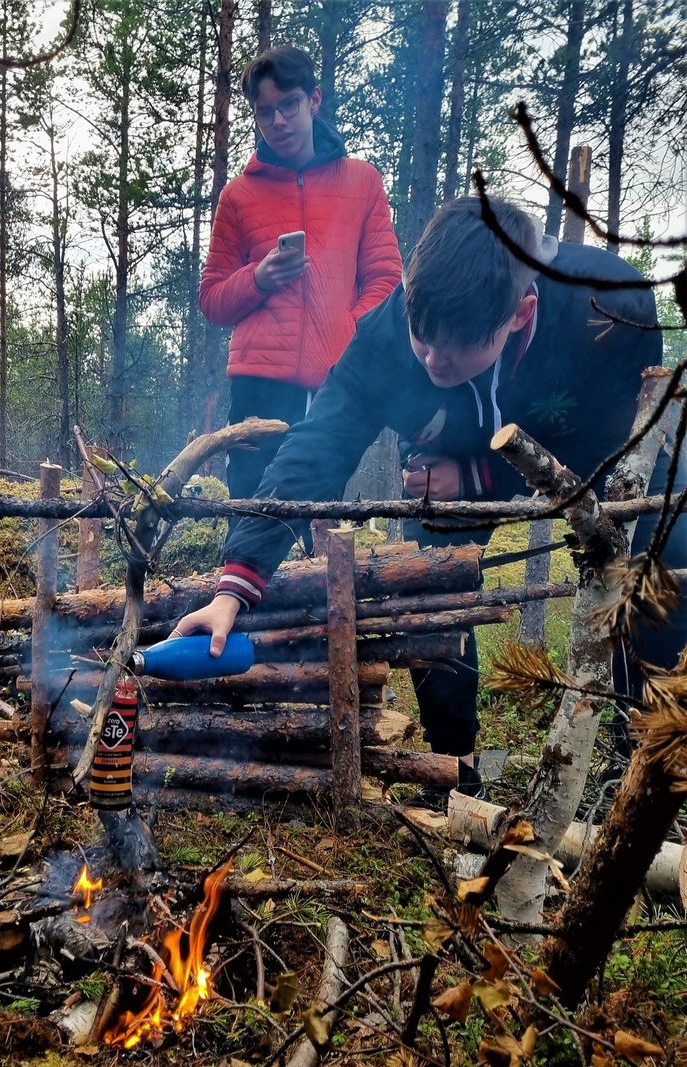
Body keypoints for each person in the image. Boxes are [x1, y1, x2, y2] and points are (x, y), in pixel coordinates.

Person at [175, 196, 686, 799]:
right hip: (457, 483)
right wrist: (237, 583)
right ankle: (456, 769)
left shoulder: (605, 307)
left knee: (667, 556)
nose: (434, 360)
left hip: (605, 461)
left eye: (459, 345)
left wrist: (479, 480)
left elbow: (612, 450)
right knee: (429, 587)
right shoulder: (386, 337)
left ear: (520, 315)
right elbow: (315, 451)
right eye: (424, 338)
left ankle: (648, 760)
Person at [199, 45, 402, 500]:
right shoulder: (238, 196)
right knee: (252, 509)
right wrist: (258, 278)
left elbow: (387, 280)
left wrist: (348, 334)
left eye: (288, 104)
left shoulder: (362, 181)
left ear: (314, 99)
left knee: (318, 514)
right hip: (257, 386)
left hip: (333, 383)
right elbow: (211, 298)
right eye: (264, 111)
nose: (278, 122)